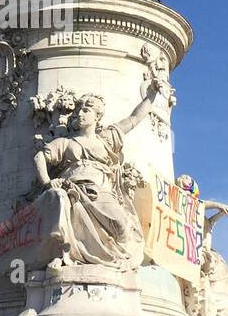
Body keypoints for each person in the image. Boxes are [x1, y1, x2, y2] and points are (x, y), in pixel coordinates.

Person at [32, 81, 161, 268]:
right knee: (63, 209)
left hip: (101, 191)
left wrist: (151, 97)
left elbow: (133, 119)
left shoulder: (107, 138)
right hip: (73, 189)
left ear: (97, 116)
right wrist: (47, 183)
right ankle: (64, 254)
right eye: (79, 110)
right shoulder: (66, 143)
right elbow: (39, 157)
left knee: (121, 224)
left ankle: (120, 263)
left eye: (86, 110)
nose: (80, 114)